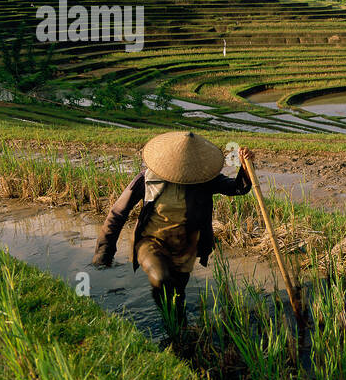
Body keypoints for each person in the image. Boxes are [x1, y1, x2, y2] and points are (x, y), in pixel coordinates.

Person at [92, 131, 255, 335]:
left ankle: (177, 332)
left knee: (178, 293)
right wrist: (103, 254)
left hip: (185, 246)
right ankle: (176, 328)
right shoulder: (147, 178)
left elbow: (237, 188)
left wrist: (246, 168)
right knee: (161, 278)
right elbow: (117, 213)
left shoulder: (203, 180)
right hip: (151, 242)